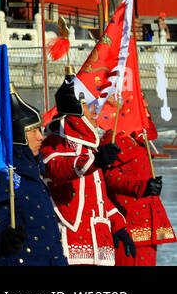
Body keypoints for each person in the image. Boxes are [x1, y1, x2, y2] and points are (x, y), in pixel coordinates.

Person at [40, 76, 135, 266]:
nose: (95, 112)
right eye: (89, 106)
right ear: (75, 109)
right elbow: (57, 169)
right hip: (71, 237)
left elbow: (98, 196)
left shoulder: (90, 150)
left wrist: (118, 224)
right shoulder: (55, 142)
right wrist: (95, 160)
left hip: (98, 237)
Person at [0, 89, 67, 266]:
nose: (41, 137)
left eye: (40, 130)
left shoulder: (32, 171)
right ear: (18, 135)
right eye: (33, 131)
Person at [101, 128, 173, 266]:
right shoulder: (115, 139)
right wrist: (141, 187)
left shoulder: (138, 139)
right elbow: (110, 178)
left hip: (149, 220)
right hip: (129, 220)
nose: (145, 110)